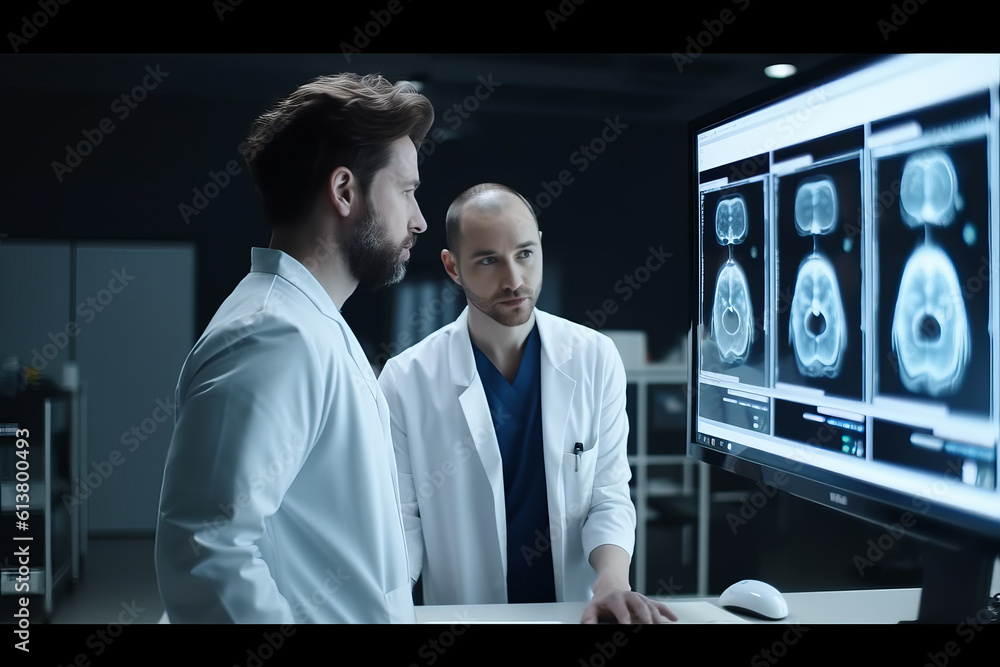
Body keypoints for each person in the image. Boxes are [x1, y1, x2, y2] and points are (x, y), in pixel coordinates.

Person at [155, 73, 433, 623]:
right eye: (406, 191)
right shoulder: (272, 336)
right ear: (345, 191)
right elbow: (207, 550)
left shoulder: (312, 324)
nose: (419, 219)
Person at [378, 183, 677, 623]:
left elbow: (608, 495)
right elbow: (401, 526)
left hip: (577, 614)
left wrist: (612, 584)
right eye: (488, 260)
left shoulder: (594, 357)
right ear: (453, 267)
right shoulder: (406, 380)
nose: (514, 280)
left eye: (524, 254)